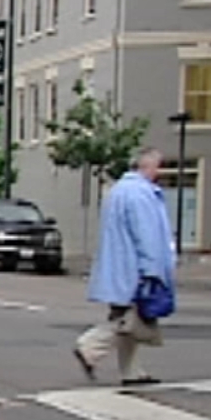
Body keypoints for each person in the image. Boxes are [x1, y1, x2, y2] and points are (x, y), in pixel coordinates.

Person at [74, 146, 177, 386]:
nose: (159, 171)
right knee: (125, 320)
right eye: (157, 165)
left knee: (129, 320)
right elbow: (147, 235)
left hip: (118, 268)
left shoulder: (118, 190)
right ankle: (89, 346)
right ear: (145, 166)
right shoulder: (141, 195)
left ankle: (130, 371)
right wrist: (152, 270)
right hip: (133, 270)